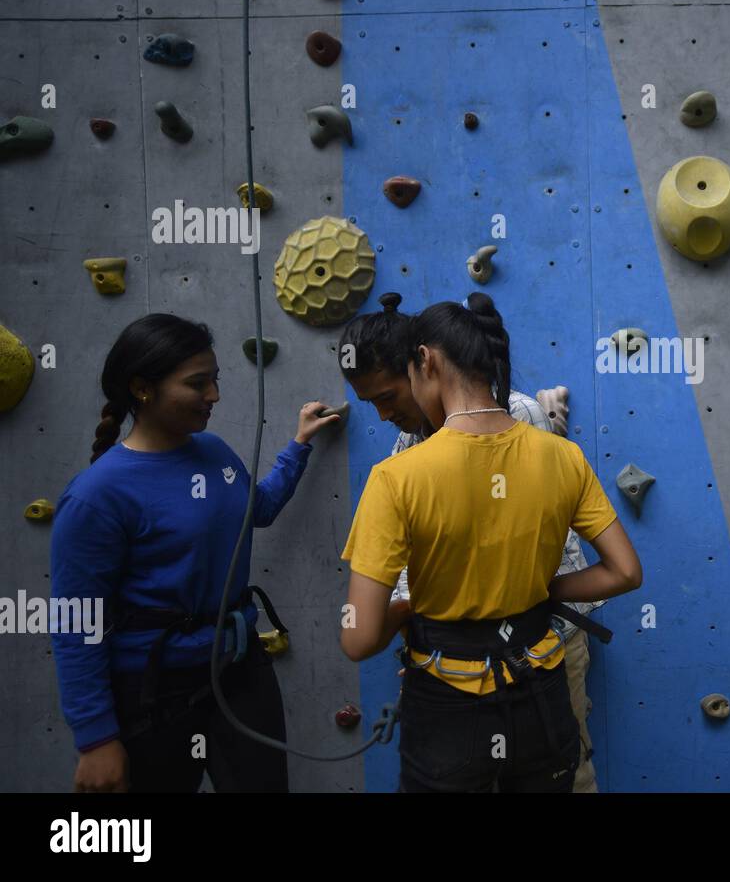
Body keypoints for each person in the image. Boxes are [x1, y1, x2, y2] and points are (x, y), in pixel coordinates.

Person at [339, 292, 642, 792]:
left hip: (459, 684)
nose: (384, 414)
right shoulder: (558, 457)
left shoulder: (395, 476)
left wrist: (416, 611)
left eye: (391, 395)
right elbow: (625, 571)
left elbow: (359, 634)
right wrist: (536, 591)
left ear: (423, 363)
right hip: (533, 675)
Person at [50, 313, 338, 792]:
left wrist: (299, 444)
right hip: (154, 691)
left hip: (240, 670)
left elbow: (257, 510)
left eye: (215, 380)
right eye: (198, 384)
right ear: (143, 389)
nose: (215, 396)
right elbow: (75, 623)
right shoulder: (96, 496)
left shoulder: (213, 451)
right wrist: (95, 739)